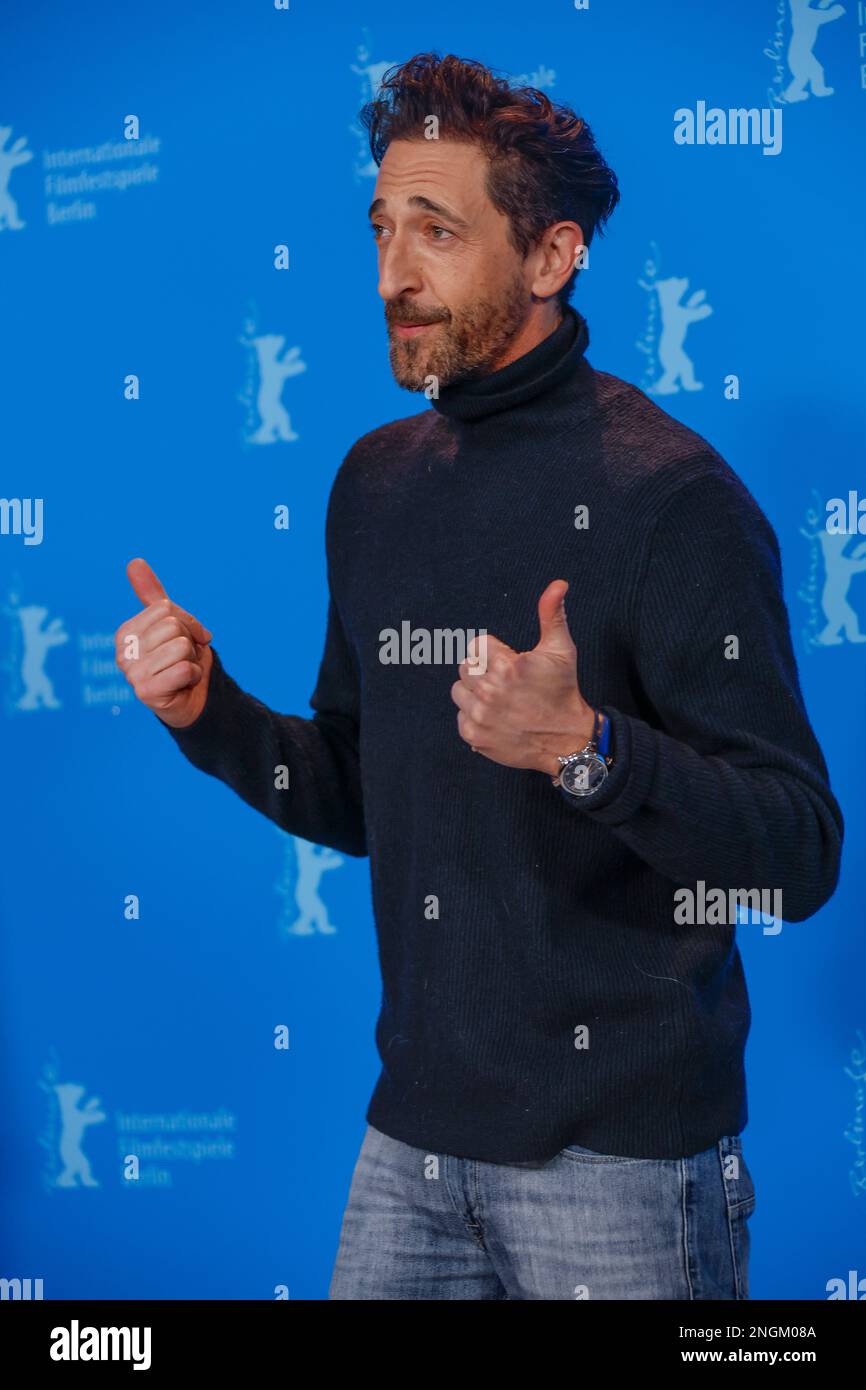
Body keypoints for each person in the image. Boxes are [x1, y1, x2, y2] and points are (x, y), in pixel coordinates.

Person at [115, 52, 843, 1300]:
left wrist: (586, 749)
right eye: (383, 228)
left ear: (554, 256)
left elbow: (797, 854)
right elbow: (360, 786)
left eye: (438, 231)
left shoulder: (670, 498)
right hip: (411, 1145)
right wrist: (211, 716)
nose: (394, 273)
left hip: (621, 1166)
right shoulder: (373, 481)